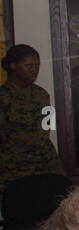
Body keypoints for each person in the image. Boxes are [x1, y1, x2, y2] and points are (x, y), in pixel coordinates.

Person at [0, 44, 64, 200]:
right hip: (13, 170)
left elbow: (47, 128)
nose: (34, 70)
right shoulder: (3, 97)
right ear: (13, 66)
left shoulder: (42, 95)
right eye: (29, 66)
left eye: (37, 66)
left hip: (44, 166)